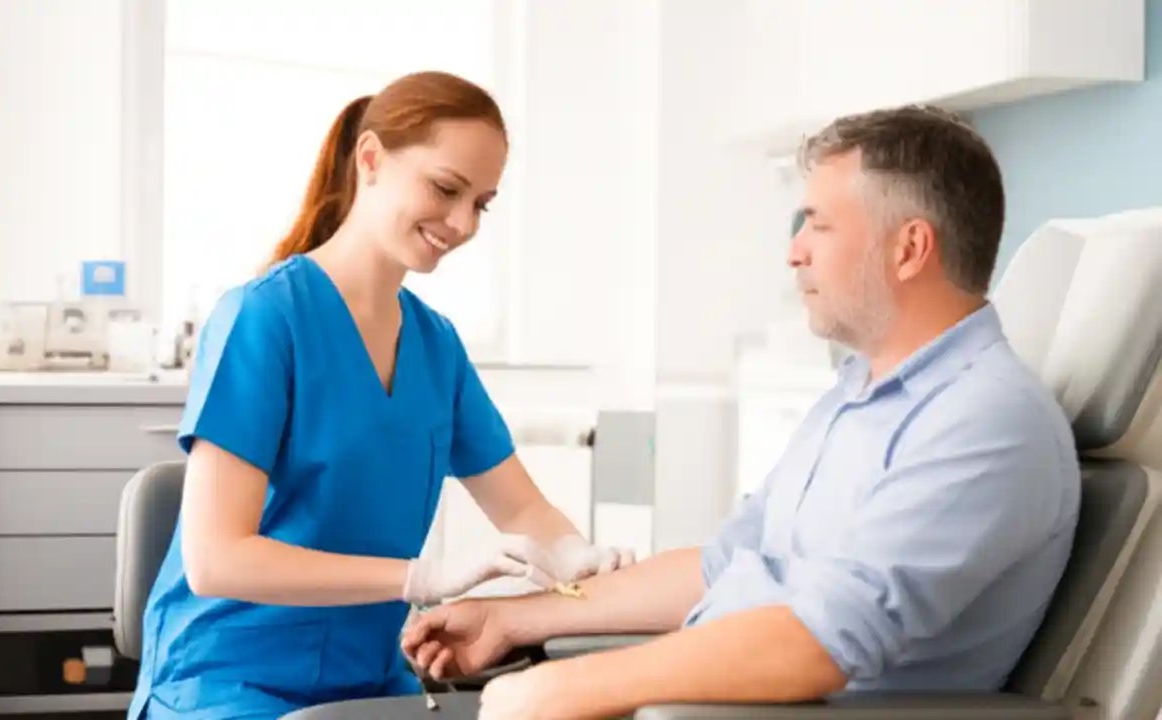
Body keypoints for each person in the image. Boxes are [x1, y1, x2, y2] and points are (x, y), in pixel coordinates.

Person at [402, 105, 1082, 720]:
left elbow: (819, 642)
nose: (795, 251)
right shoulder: (855, 398)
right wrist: (516, 619)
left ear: (909, 249)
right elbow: (721, 567)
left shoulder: (987, 422)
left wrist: (566, 688)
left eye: (817, 223)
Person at [127, 70, 635, 720]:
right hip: (227, 681)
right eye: (445, 188)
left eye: (480, 203)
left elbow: (522, 506)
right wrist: (417, 579)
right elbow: (214, 559)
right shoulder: (263, 319)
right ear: (370, 159)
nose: (461, 223)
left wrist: (575, 554)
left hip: (367, 680)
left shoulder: (434, 344)